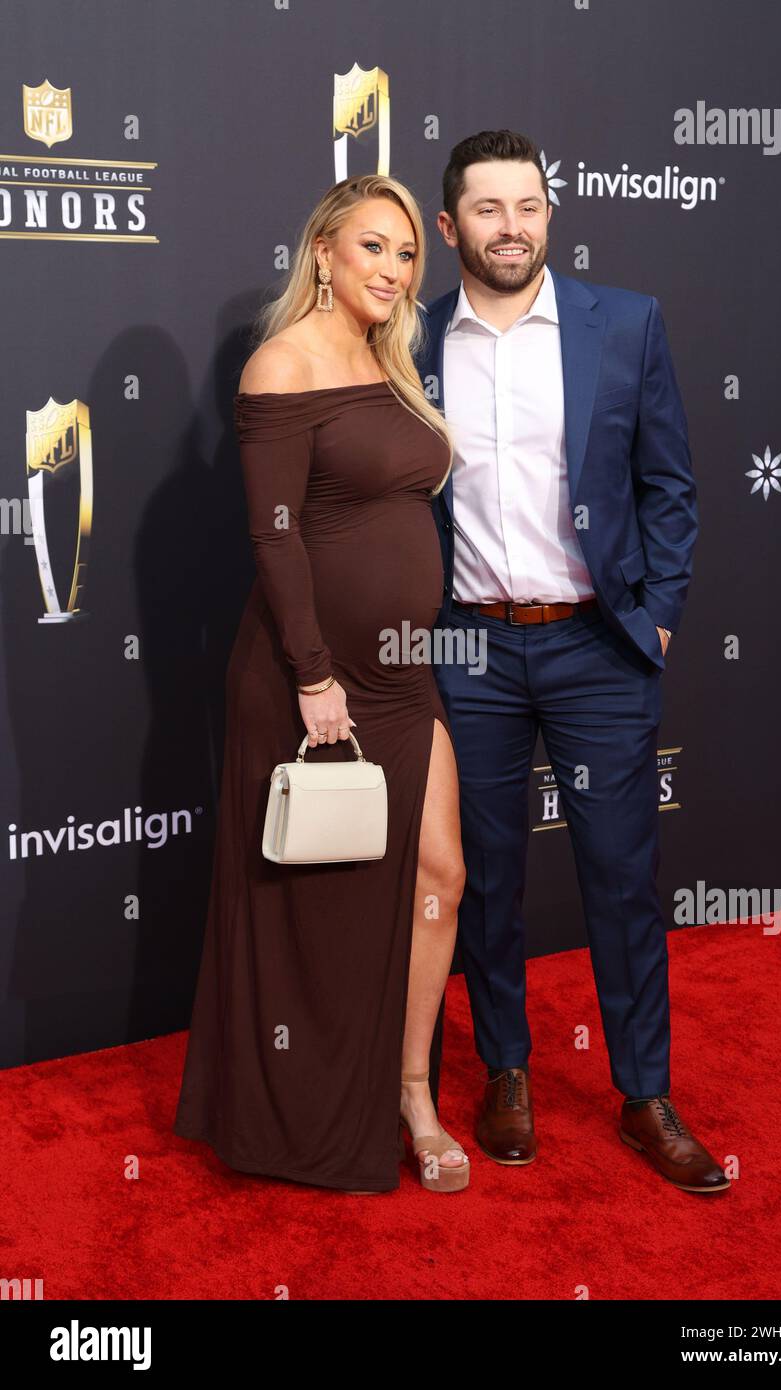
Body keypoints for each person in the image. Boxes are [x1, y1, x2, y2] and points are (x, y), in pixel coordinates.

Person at [417, 129, 729, 1193]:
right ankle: (506, 1069)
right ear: (450, 227)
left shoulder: (624, 324)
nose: (514, 227)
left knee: (622, 877)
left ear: (551, 214)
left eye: (531, 205)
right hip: (468, 646)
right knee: (486, 879)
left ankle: (644, 1093)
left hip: (599, 641)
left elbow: (669, 486)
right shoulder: (407, 343)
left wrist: (660, 618)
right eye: (490, 210)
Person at [173, 173, 470, 1194]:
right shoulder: (283, 362)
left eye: (404, 255)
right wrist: (310, 674)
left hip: (403, 678)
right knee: (316, 897)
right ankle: (294, 1111)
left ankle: (408, 1089)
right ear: (323, 253)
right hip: (315, 677)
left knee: (437, 876)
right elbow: (275, 531)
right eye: (372, 249)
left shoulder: (390, 363)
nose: (391, 270)